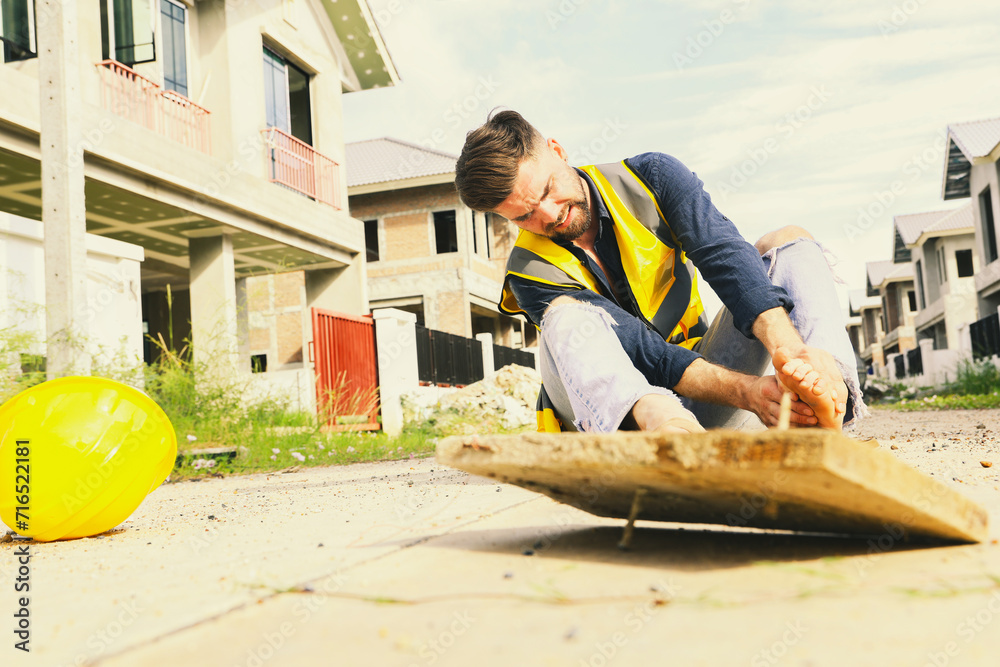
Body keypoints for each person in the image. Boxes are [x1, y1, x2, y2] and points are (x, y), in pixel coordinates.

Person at [454, 110, 866, 434]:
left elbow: (723, 255)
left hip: (710, 392)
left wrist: (790, 354)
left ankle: (827, 393)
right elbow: (642, 352)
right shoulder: (528, 274)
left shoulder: (652, 177)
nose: (549, 215)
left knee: (790, 240)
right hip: (620, 420)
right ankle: (670, 433)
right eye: (524, 216)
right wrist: (749, 392)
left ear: (558, 151)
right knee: (566, 315)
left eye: (547, 190)